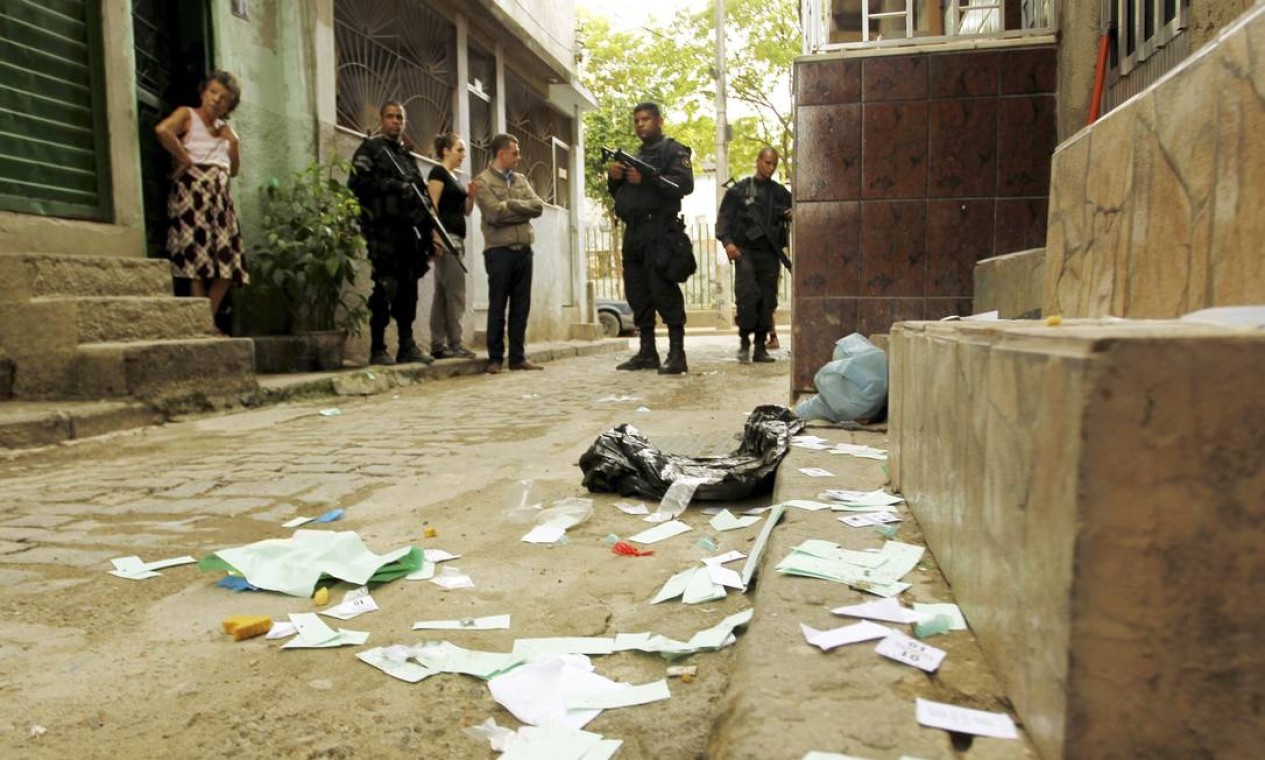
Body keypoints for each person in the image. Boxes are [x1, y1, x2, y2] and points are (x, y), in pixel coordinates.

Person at [154, 70, 248, 329]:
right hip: (193, 192)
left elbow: (235, 170)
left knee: (228, 264)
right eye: (212, 92)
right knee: (196, 260)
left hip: (220, 198)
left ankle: (204, 321)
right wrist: (184, 157)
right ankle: (203, 325)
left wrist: (235, 143)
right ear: (203, 92)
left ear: (230, 105)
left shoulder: (225, 130)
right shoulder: (188, 115)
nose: (216, 100)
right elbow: (162, 131)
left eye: (224, 98)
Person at [607, 103, 695, 375]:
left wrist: (646, 179)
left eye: (646, 119)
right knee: (638, 293)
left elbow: (684, 185)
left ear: (659, 121)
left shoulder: (672, 150)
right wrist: (615, 179)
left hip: (660, 232)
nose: (641, 124)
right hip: (634, 234)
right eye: (636, 120)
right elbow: (623, 195)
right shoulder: (637, 155)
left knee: (663, 290)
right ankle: (647, 352)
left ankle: (677, 354)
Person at [349, 101, 436, 366]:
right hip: (382, 230)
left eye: (400, 117)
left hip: (407, 233)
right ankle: (377, 347)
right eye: (391, 116)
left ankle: (406, 345)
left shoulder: (406, 156)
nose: (396, 121)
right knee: (386, 286)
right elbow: (357, 184)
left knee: (408, 290)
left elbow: (422, 198)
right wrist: (395, 186)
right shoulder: (371, 149)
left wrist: (430, 233)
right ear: (381, 119)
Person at [472, 133, 545, 374]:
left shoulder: (521, 180)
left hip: (524, 250)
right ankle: (495, 358)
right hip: (498, 252)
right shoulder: (482, 182)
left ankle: (517, 357)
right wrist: (520, 211)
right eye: (514, 153)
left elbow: (537, 207)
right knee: (498, 306)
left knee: (521, 307)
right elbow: (493, 214)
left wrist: (511, 205)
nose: (519, 157)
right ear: (501, 154)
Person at [716, 147, 792, 364]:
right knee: (748, 297)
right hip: (745, 252)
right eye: (767, 163)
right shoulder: (739, 190)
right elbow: (724, 220)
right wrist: (728, 243)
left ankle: (760, 347)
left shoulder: (778, 192)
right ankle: (744, 344)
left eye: (774, 164)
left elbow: (797, 207)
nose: (770, 168)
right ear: (758, 161)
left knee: (767, 300)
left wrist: (791, 212)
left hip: (770, 253)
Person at [427, 132, 477, 360]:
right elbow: (432, 204)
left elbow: (466, 211)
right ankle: (454, 344)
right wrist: (436, 236)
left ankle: (438, 345)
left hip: (457, 238)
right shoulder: (438, 173)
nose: (463, 155)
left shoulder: (454, 177)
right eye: (459, 149)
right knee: (455, 294)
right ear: (445, 151)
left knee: (442, 295)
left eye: (463, 150)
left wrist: (471, 196)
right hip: (447, 240)